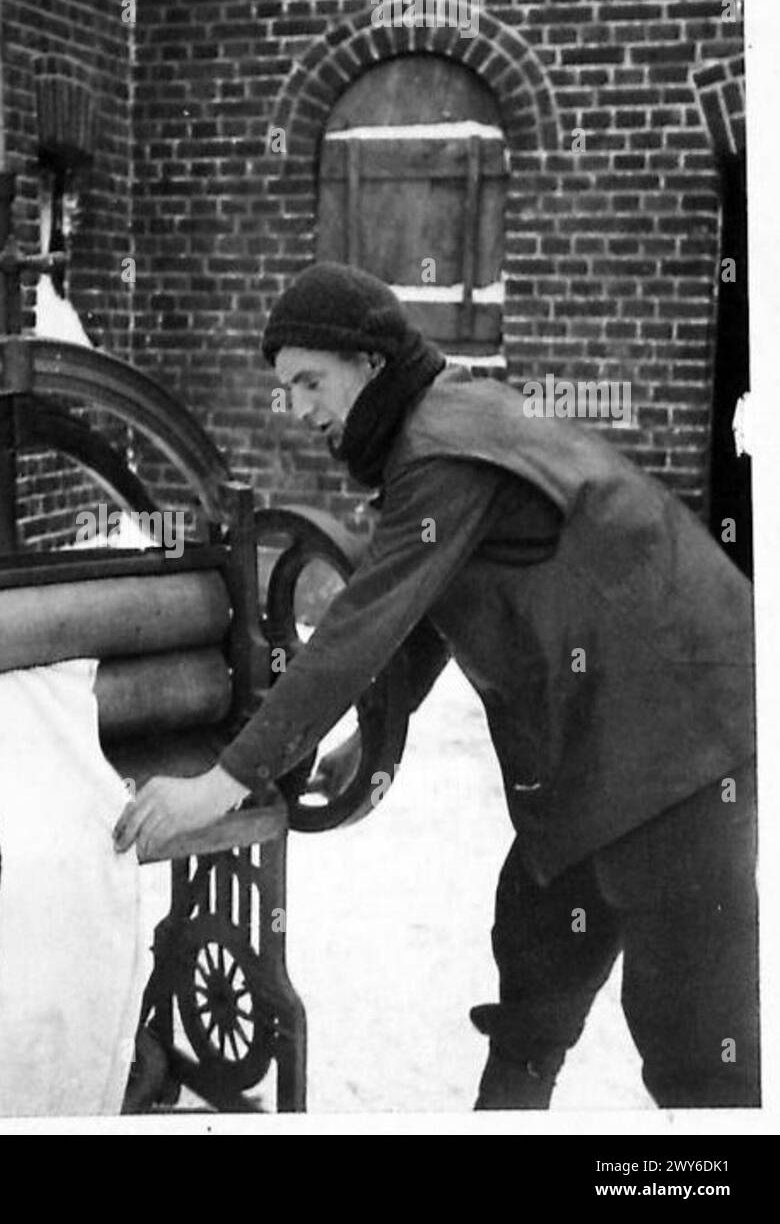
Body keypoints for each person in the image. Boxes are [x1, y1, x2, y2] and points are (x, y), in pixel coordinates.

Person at [114, 262, 758, 1110]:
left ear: (370, 363)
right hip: (592, 738)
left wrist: (225, 782)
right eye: (288, 387)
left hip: (682, 730)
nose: (300, 409)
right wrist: (369, 739)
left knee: (696, 1034)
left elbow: (360, 626)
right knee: (536, 955)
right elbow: (426, 604)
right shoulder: (449, 420)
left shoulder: (443, 447)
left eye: (312, 382)